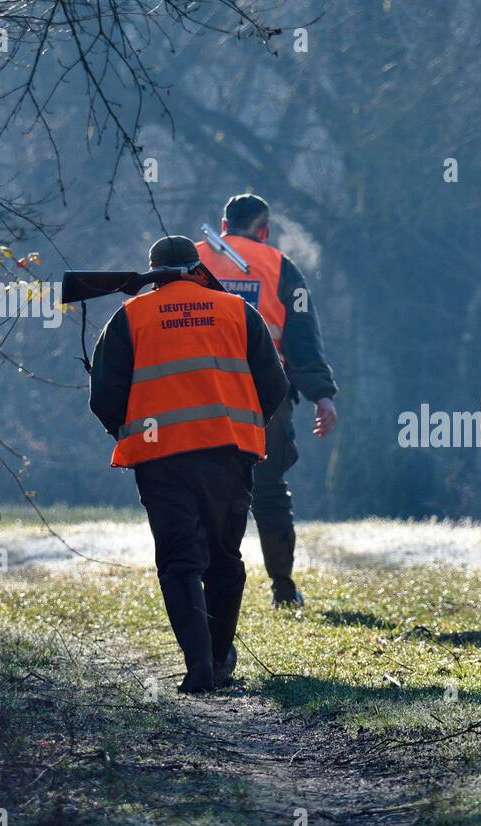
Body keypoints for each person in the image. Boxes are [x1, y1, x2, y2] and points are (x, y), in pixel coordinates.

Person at [89, 236, 288, 693]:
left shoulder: (130, 316)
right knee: (224, 559)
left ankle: (198, 668)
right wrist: (245, 426)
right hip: (228, 453)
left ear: (153, 270)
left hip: (162, 460)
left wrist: (131, 431)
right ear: (197, 267)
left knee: (180, 562)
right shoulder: (238, 311)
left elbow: (104, 397)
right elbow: (273, 386)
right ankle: (220, 659)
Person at [198, 194, 338, 608]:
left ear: (223, 225)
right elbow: (301, 337)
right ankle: (282, 588)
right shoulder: (280, 266)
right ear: (264, 230)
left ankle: (207, 585)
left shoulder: (192, 259)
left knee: (205, 487)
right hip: (265, 393)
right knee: (270, 489)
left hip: (200, 391)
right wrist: (322, 395)